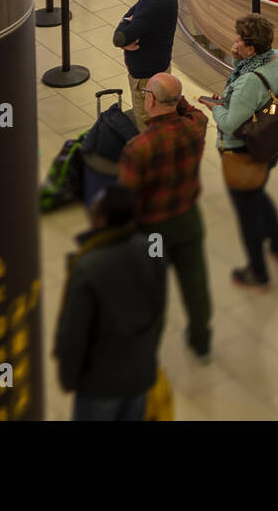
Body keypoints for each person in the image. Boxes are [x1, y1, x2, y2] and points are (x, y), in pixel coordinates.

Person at [117, 73, 212, 362]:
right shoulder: (196, 127)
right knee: (195, 283)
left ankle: (147, 350)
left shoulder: (138, 148)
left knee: (152, 292)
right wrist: (175, 97)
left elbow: (127, 202)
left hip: (153, 230)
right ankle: (201, 340)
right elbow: (195, 111)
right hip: (187, 217)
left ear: (150, 100)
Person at [53, 184, 167, 421]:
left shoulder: (87, 267)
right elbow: (159, 309)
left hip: (100, 385)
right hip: (140, 374)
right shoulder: (151, 250)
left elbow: (74, 333)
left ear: (103, 218)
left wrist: (68, 377)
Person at [203, 13, 278, 292]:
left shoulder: (249, 82)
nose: (235, 41)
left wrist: (214, 107)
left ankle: (258, 270)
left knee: (247, 212)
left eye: (239, 39)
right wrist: (237, 61)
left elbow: (230, 124)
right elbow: (248, 82)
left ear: (251, 49)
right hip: (271, 142)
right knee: (259, 193)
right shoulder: (276, 57)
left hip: (244, 152)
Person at [113, 0, 178, 132]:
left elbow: (120, 38)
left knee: (147, 121)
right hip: (158, 67)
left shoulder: (154, 5)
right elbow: (131, 14)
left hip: (146, 77)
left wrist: (123, 31)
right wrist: (127, 23)